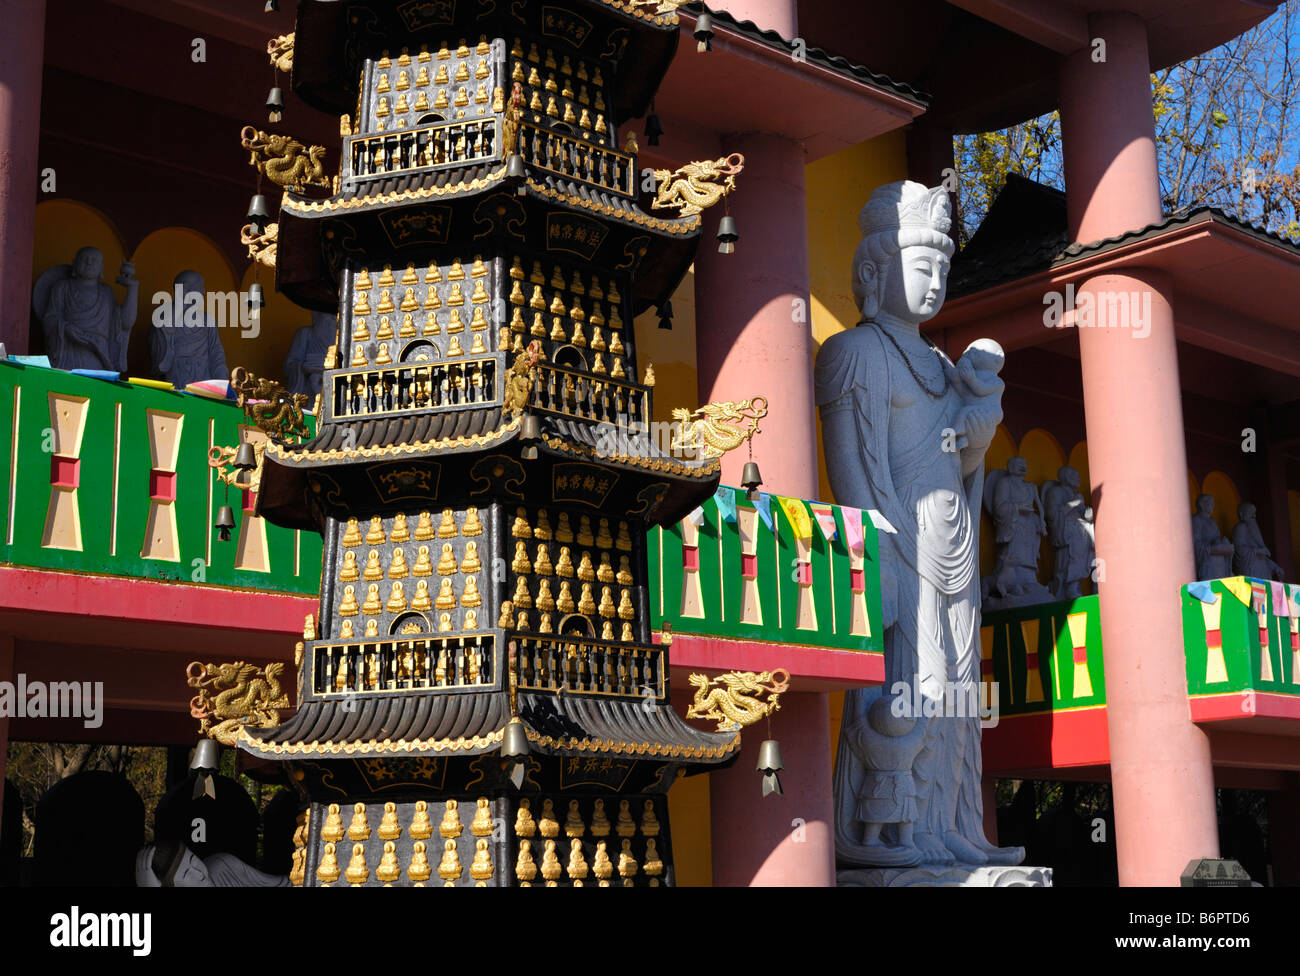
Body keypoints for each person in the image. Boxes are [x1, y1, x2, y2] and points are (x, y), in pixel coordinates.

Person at [818, 180, 1022, 869]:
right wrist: (884, 545)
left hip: (952, 537)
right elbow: (849, 467)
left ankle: (948, 826)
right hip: (899, 537)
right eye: (920, 266)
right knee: (911, 685)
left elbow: (962, 458)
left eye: (942, 268)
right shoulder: (852, 353)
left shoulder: (940, 363)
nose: (935, 282)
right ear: (874, 272)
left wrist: (977, 434)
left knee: (961, 692)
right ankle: (887, 829)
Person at [36, 246, 138, 372]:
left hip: (96, 354)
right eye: (84, 258)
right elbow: (50, 318)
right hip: (67, 351)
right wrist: (66, 328)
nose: (89, 262)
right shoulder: (62, 288)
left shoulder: (106, 293)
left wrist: (132, 289)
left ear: (101, 268)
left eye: (94, 260)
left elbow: (124, 323)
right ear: (75, 263)